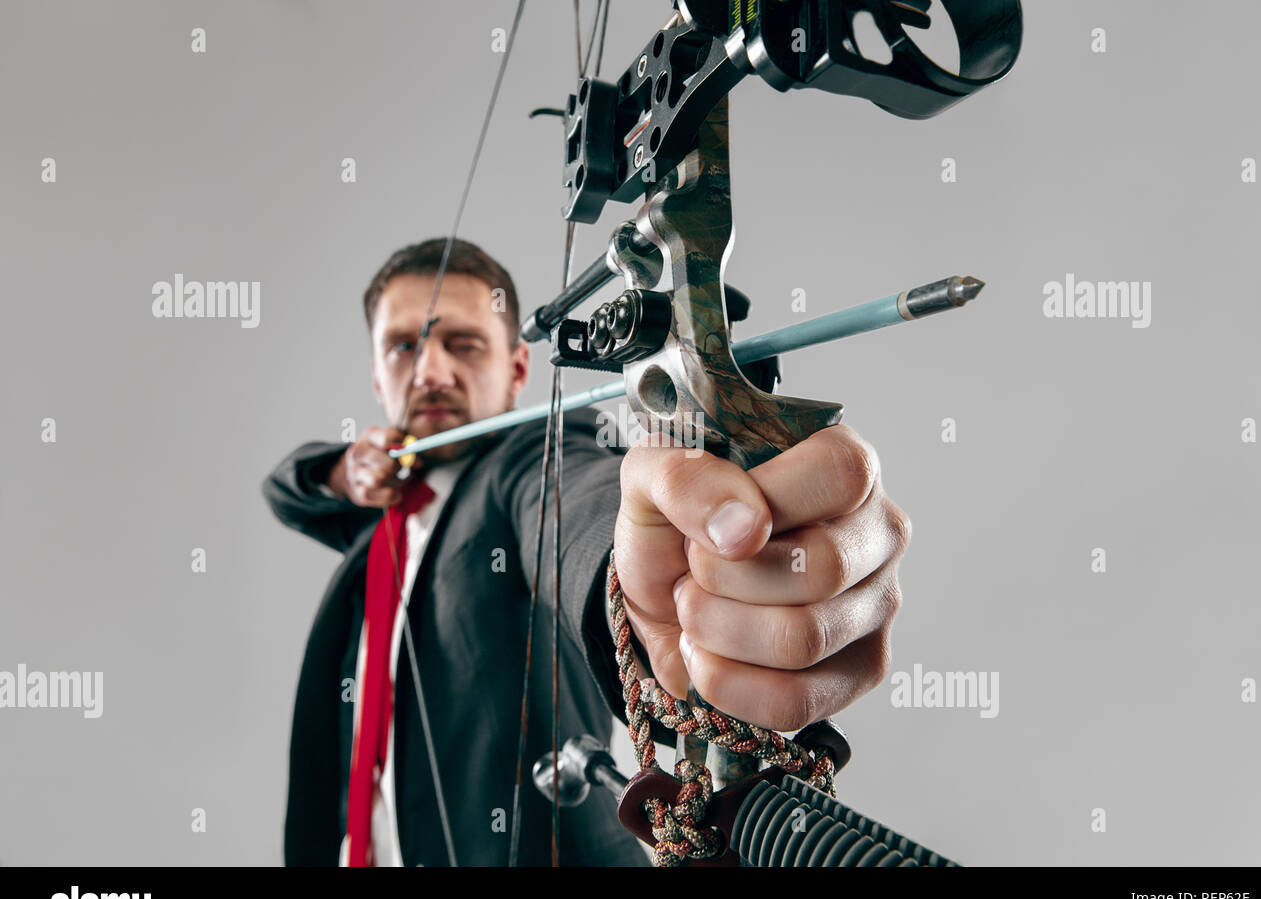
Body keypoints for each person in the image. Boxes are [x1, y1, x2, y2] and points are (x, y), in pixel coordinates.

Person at [263, 237, 911, 866]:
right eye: (404, 347)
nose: (431, 371)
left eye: (463, 343)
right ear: (377, 376)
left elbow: (583, 517)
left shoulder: (528, 465)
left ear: (517, 368)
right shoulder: (380, 525)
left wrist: (654, 582)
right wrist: (341, 473)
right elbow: (286, 490)